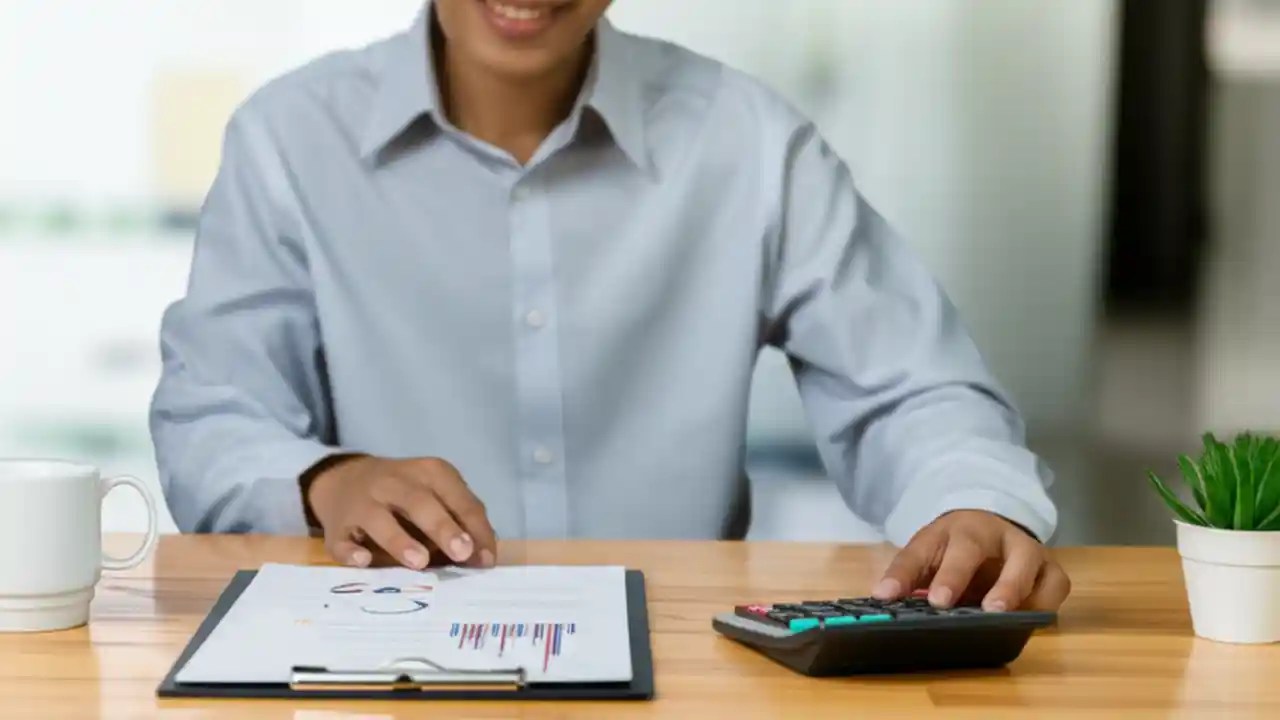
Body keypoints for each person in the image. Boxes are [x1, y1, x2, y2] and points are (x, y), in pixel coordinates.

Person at [150, 0, 1071, 613]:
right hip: (384, 664)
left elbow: (913, 385)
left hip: (686, 666)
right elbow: (213, 421)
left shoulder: (747, 141)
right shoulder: (287, 139)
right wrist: (326, 480)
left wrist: (969, 501)